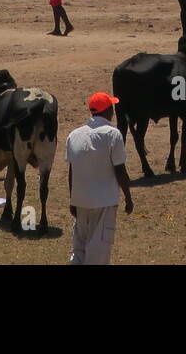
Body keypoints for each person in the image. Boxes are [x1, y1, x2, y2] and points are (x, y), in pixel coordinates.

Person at [65, 91, 133, 264]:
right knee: (98, 251)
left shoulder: (74, 135)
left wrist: (73, 199)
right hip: (104, 201)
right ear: (108, 110)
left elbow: (72, 171)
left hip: (81, 200)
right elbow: (120, 170)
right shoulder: (113, 134)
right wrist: (128, 197)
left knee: (79, 248)